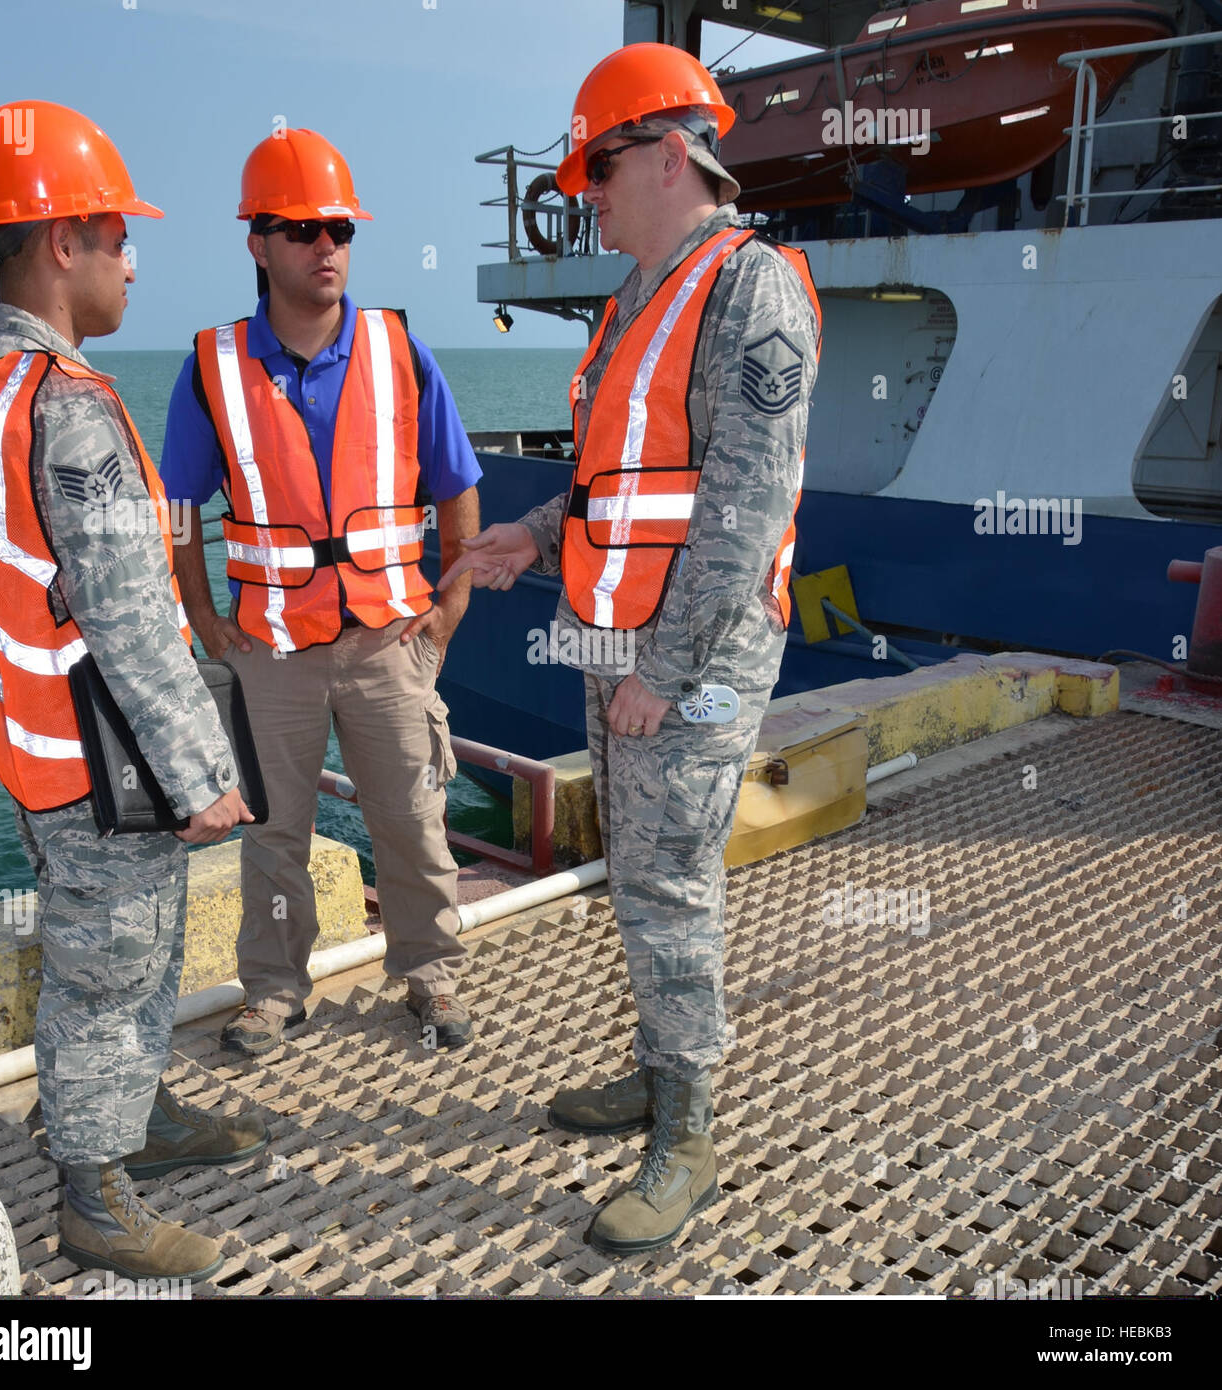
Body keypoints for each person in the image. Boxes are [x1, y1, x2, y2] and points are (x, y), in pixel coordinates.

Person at [439, 43, 821, 1257]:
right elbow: (624, 489)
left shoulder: (746, 288)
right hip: (622, 649)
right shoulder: (636, 302)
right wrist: (529, 535)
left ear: (669, 155)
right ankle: (660, 1077)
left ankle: (688, 1132)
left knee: (668, 886)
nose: (585, 193)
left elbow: (745, 504)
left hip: (686, 660)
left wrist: (665, 672)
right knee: (642, 878)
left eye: (599, 167)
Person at [0, 101, 267, 1284]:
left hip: (32, 747)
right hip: (103, 757)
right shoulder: (66, 408)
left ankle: (133, 1113)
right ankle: (97, 1198)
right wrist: (204, 778)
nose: (135, 259)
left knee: (104, 954)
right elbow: (131, 619)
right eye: (119, 234)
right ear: (60, 240)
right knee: (111, 969)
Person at [160, 128, 481, 1056]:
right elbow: (179, 510)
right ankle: (271, 989)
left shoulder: (399, 350)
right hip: (269, 652)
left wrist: (448, 614)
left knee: (415, 819)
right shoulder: (212, 367)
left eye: (338, 227)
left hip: (389, 641)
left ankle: (432, 973)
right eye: (300, 229)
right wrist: (207, 625)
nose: (325, 246)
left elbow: (458, 486)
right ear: (257, 244)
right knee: (272, 835)